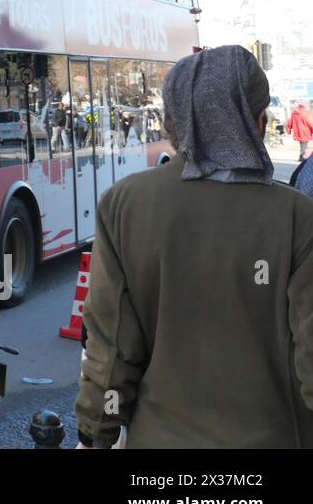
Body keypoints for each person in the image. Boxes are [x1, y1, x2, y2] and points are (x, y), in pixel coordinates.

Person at [76, 45, 313, 448]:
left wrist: (96, 432)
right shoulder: (297, 217)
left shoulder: (124, 204)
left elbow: (112, 349)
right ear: (258, 120)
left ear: (176, 122)